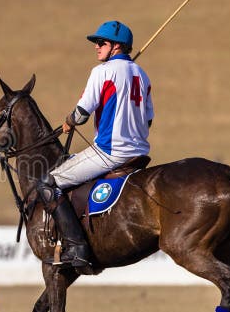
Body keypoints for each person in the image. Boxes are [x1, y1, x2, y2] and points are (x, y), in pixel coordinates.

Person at [37, 20, 153, 274]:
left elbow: (82, 113)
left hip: (109, 152)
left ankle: (76, 247)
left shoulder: (101, 72)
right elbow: (149, 119)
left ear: (116, 47)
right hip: (139, 153)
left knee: (48, 182)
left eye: (101, 43)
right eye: (96, 43)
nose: (96, 47)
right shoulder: (142, 75)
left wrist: (68, 121)